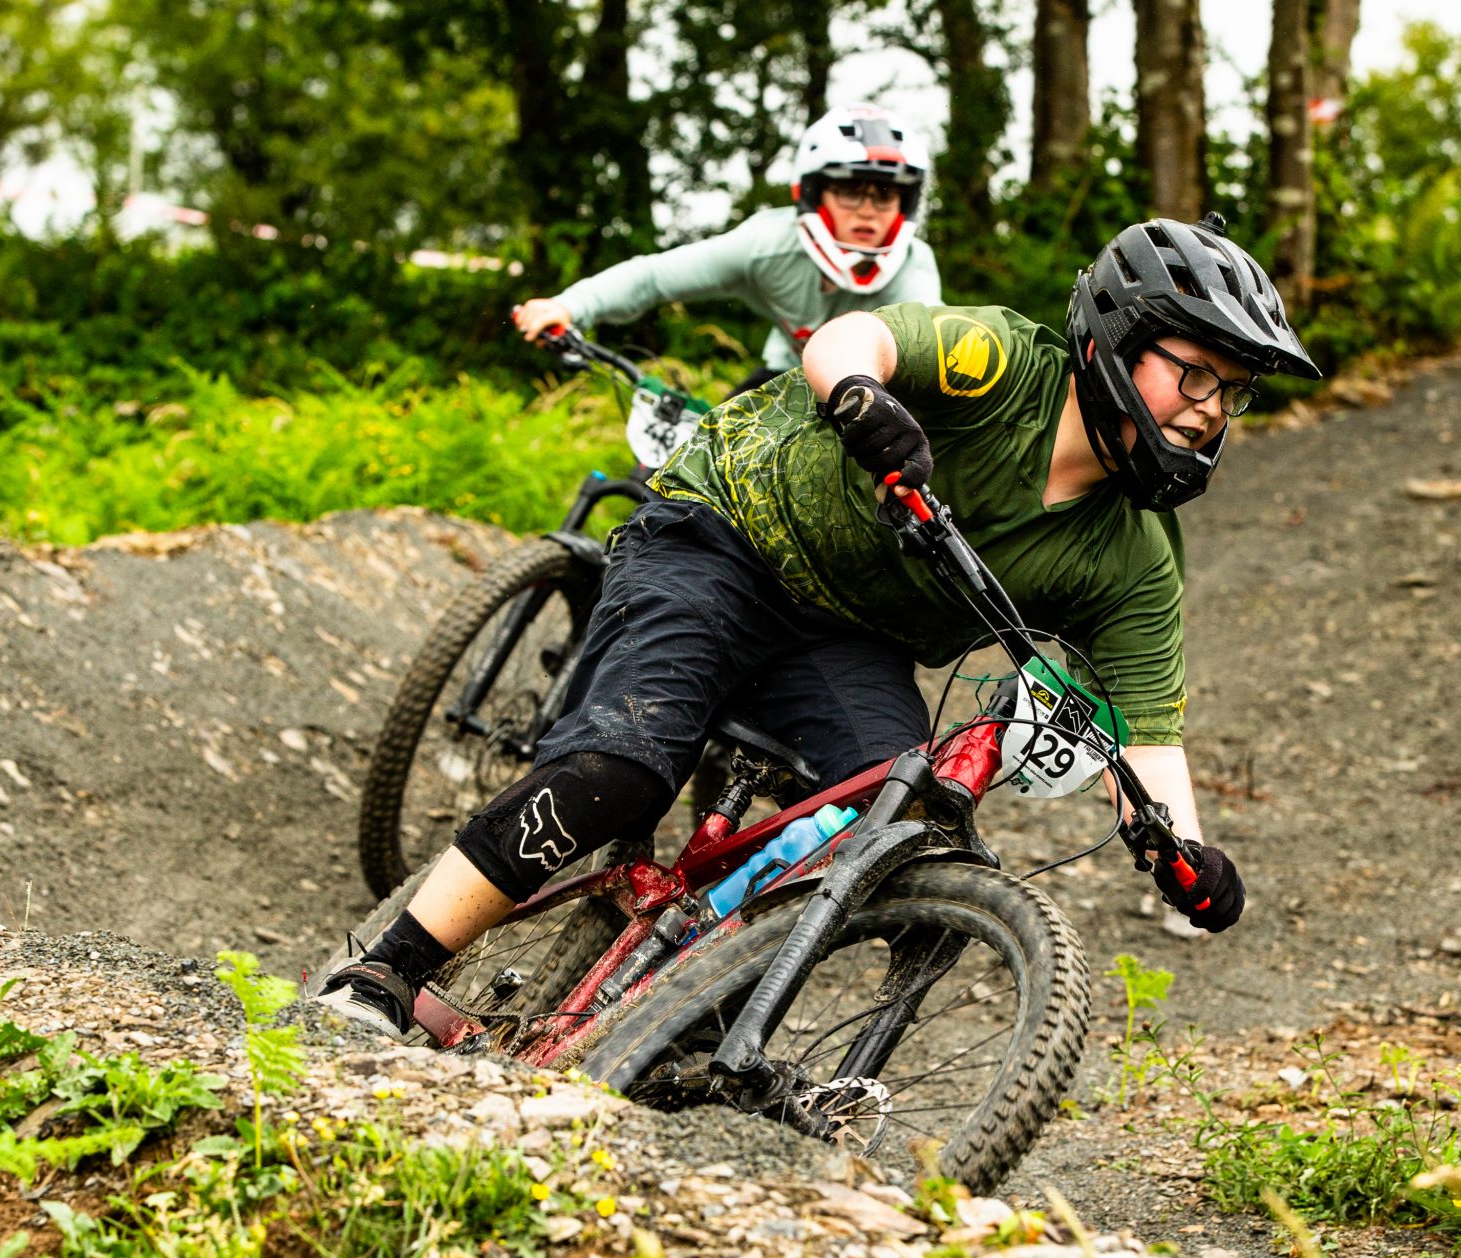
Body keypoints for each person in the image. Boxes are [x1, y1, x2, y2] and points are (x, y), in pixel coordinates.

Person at [319, 213, 1322, 1038]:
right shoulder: (1004, 366)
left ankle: (693, 1018)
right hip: (721, 535)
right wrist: (857, 397)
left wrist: (1184, 851)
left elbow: (1141, 729)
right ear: (1111, 339)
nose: (1206, 411)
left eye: (1229, 393)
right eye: (1192, 374)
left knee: (913, 847)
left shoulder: (1133, 556)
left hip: (844, 636)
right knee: (620, 768)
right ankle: (382, 971)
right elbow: (860, 337)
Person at [512, 104, 944, 393]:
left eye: (885, 194)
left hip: (882, 396)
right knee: (690, 471)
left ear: (904, 204)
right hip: (783, 377)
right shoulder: (765, 245)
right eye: (851, 191)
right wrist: (569, 306)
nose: (868, 211)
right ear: (815, 192)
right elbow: (653, 277)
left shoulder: (914, 269)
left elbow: (935, 363)